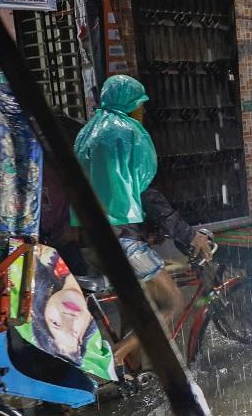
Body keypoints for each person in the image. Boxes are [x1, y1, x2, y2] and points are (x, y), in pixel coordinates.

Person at [73, 75, 213, 367]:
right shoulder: (126, 133)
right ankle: (113, 358)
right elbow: (147, 193)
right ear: (130, 105)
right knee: (171, 302)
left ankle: (132, 375)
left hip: (89, 239)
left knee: (133, 309)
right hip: (122, 241)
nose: (143, 112)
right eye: (140, 105)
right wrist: (188, 235)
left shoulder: (88, 133)